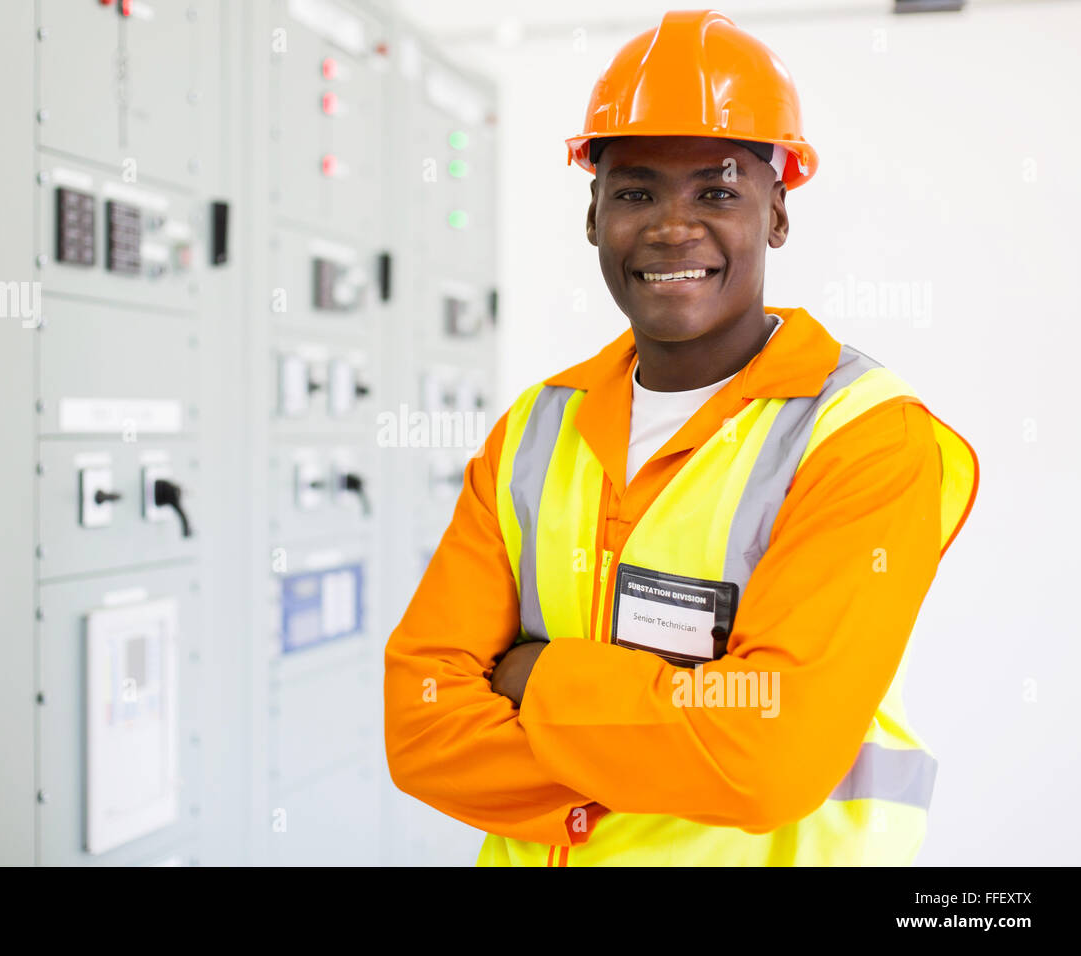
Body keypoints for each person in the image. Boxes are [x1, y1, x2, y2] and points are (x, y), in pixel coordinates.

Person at [383, 9, 979, 866]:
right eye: (635, 191)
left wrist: (535, 678)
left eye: (718, 190)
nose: (671, 226)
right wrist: (656, 758)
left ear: (777, 214)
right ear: (594, 216)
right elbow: (420, 720)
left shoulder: (866, 440)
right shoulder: (532, 431)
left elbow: (767, 762)